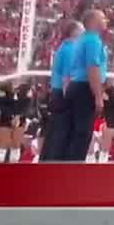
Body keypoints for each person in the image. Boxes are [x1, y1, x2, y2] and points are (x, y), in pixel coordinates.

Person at [64, 9, 109, 162]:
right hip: (84, 88)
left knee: (76, 132)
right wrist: (98, 96)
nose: (105, 21)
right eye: (102, 18)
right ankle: (74, 167)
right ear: (93, 21)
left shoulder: (82, 39)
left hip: (77, 87)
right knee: (82, 133)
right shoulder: (92, 40)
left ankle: (69, 166)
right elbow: (92, 68)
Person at [39, 20, 82, 162]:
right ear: (75, 32)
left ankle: (48, 161)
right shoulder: (71, 49)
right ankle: (53, 163)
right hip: (63, 95)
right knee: (60, 133)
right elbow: (67, 78)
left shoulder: (64, 47)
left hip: (58, 94)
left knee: (55, 131)